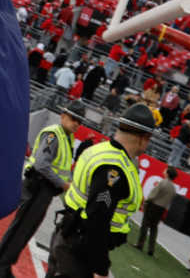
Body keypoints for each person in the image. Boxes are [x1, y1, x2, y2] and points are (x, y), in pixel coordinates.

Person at [47, 102, 154, 278]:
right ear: (143, 137)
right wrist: (100, 267)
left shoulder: (101, 151)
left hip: (70, 236)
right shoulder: (115, 168)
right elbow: (98, 217)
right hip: (80, 250)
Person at [0, 104, 81, 278]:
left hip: (44, 191)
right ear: (63, 116)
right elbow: (41, 165)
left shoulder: (66, 138)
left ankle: (4, 266)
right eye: (74, 118)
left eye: (80, 121)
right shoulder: (54, 134)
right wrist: (63, 184)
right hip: (37, 187)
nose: (76, 123)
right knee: (20, 230)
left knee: (25, 232)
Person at [136, 166, 178, 257]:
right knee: (154, 228)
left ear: (167, 173)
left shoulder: (163, 182)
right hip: (162, 208)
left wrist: (147, 201)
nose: (164, 171)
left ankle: (140, 244)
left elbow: (153, 195)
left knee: (145, 225)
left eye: (165, 170)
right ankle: (151, 249)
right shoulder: (173, 188)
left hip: (153, 205)